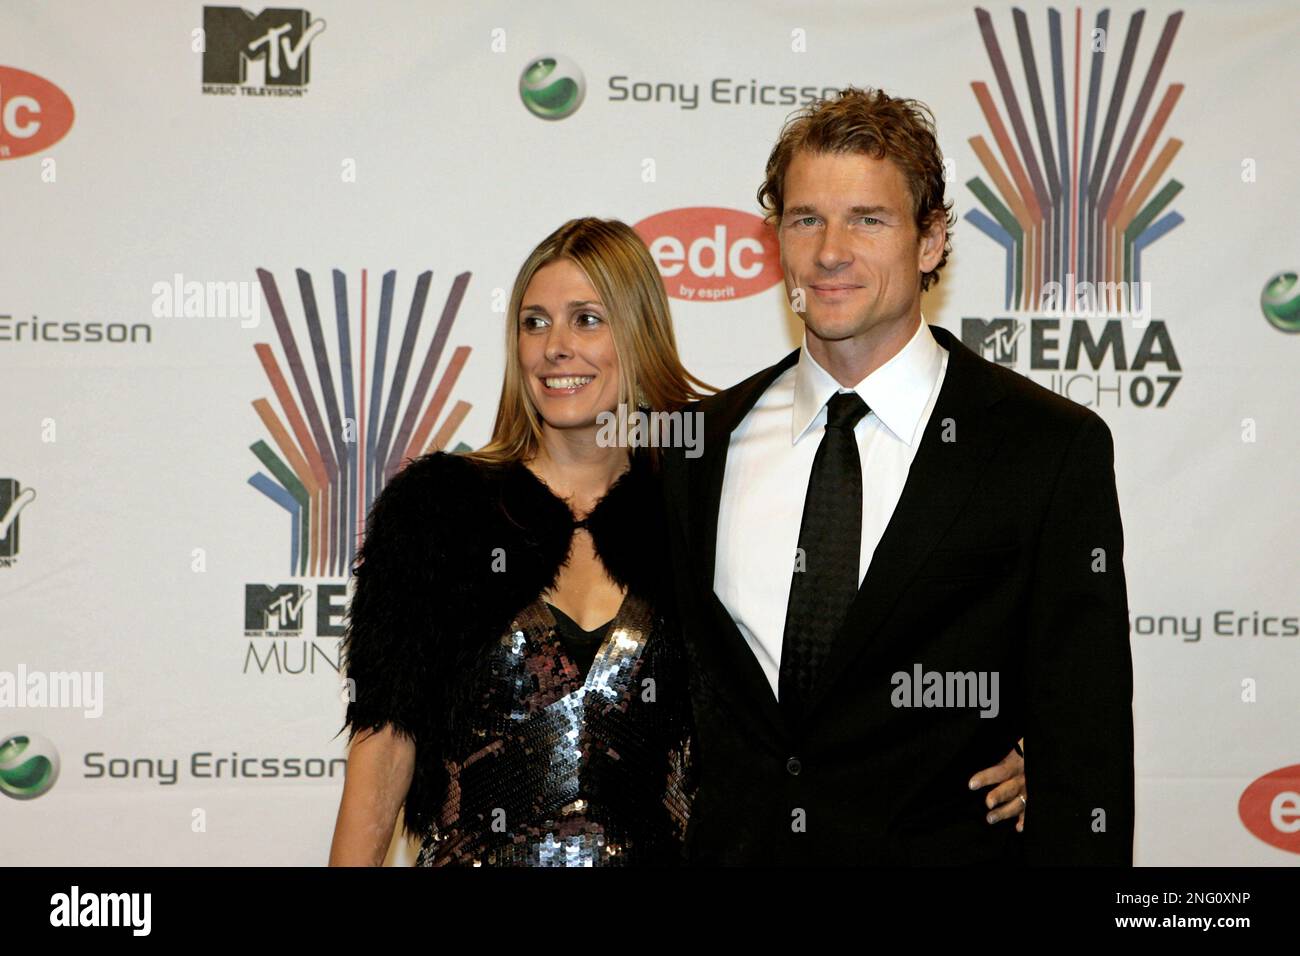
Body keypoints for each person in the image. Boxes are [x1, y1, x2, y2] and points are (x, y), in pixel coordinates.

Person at [328, 216, 1028, 867]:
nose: (555, 347)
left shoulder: (702, 499)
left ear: (636, 334)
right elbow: (386, 741)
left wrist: (1007, 743)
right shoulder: (439, 511)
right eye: (533, 322)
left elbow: (833, 681)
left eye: (587, 320)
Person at [660, 88, 1132, 865]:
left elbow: (1086, 747)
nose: (830, 251)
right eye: (805, 218)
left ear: (931, 242)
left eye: (868, 220)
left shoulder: (1043, 448)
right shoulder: (701, 445)